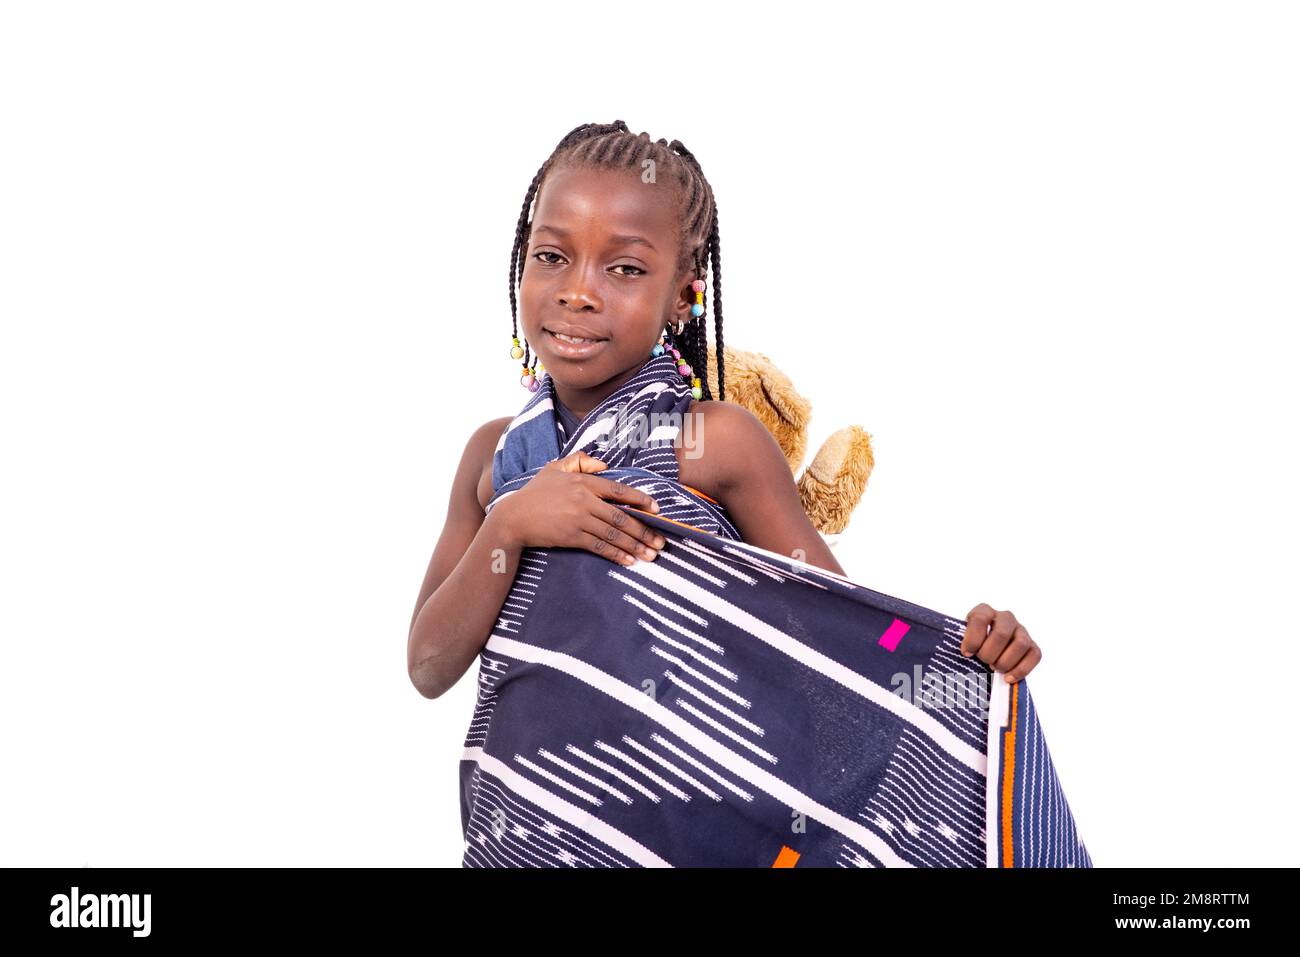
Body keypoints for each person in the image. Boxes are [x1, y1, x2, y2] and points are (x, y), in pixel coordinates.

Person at [407, 120, 1041, 700]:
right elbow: (429, 667)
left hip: (702, 813)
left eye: (625, 268)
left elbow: (843, 627)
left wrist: (965, 648)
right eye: (551, 257)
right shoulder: (492, 459)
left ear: (684, 296)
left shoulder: (716, 441)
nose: (577, 291)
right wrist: (510, 524)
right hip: (519, 823)